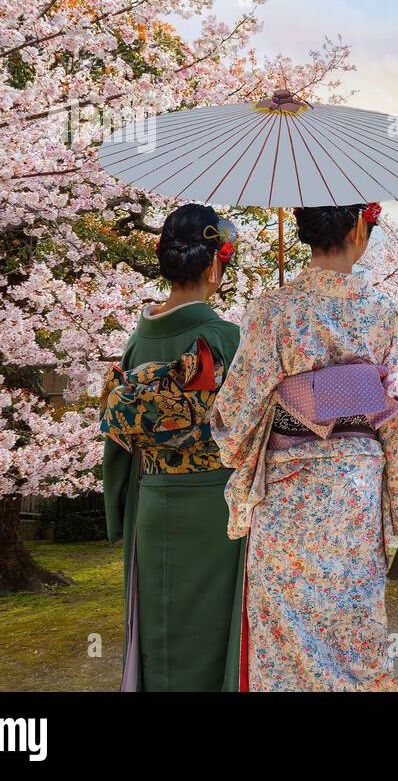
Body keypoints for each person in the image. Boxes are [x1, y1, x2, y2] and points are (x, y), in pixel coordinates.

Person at [213, 202, 398, 692]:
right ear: (360, 227)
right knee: (354, 635)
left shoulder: (272, 309)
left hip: (286, 498)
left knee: (286, 641)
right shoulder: (384, 313)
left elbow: (233, 419)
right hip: (353, 502)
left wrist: (285, 396)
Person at [100, 204, 244, 692]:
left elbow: (120, 434)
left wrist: (117, 505)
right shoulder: (226, 338)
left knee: (157, 628)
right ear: (212, 266)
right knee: (213, 632)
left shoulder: (138, 339)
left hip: (153, 497)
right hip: (216, 505)